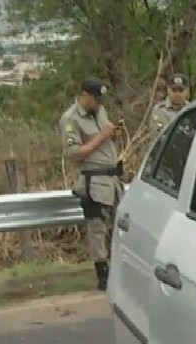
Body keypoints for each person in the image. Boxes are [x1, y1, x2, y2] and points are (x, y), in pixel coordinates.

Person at [60, 77, 124, 291]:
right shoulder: (70, 119)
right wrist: (102, 136)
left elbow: (106, 138)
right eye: (95, 98)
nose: (98, 102)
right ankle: (102, 273)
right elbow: (75, 154)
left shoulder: (101, 111)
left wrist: (112, 133)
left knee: (120, 226)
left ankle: (120, 268)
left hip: (113, 178)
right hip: (94, 180)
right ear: (84, 95)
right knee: (97, 228)